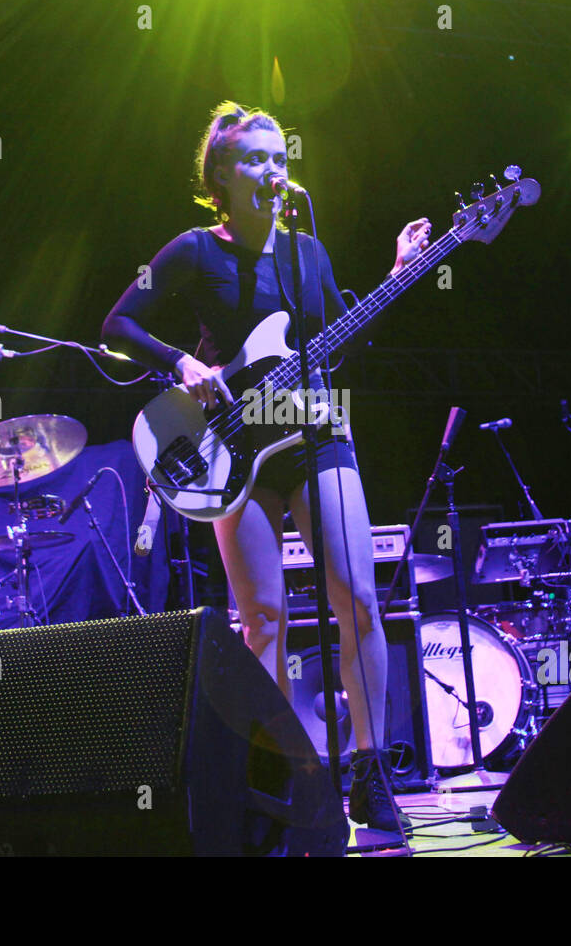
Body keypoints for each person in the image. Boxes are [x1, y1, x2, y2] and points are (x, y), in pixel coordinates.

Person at [102, 102, 431, 831]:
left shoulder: (306, 252)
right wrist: (181, 360)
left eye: (280, 158)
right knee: (264, 618)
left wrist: (401, 274)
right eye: (254, 159)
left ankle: (370, 774)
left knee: (360, 599)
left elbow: (346, 337)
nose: (273, 171)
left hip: (315, 433)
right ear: (220, 176)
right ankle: (276, 776)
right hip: (233, 448)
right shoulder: (194, 249)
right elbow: (116, 326)